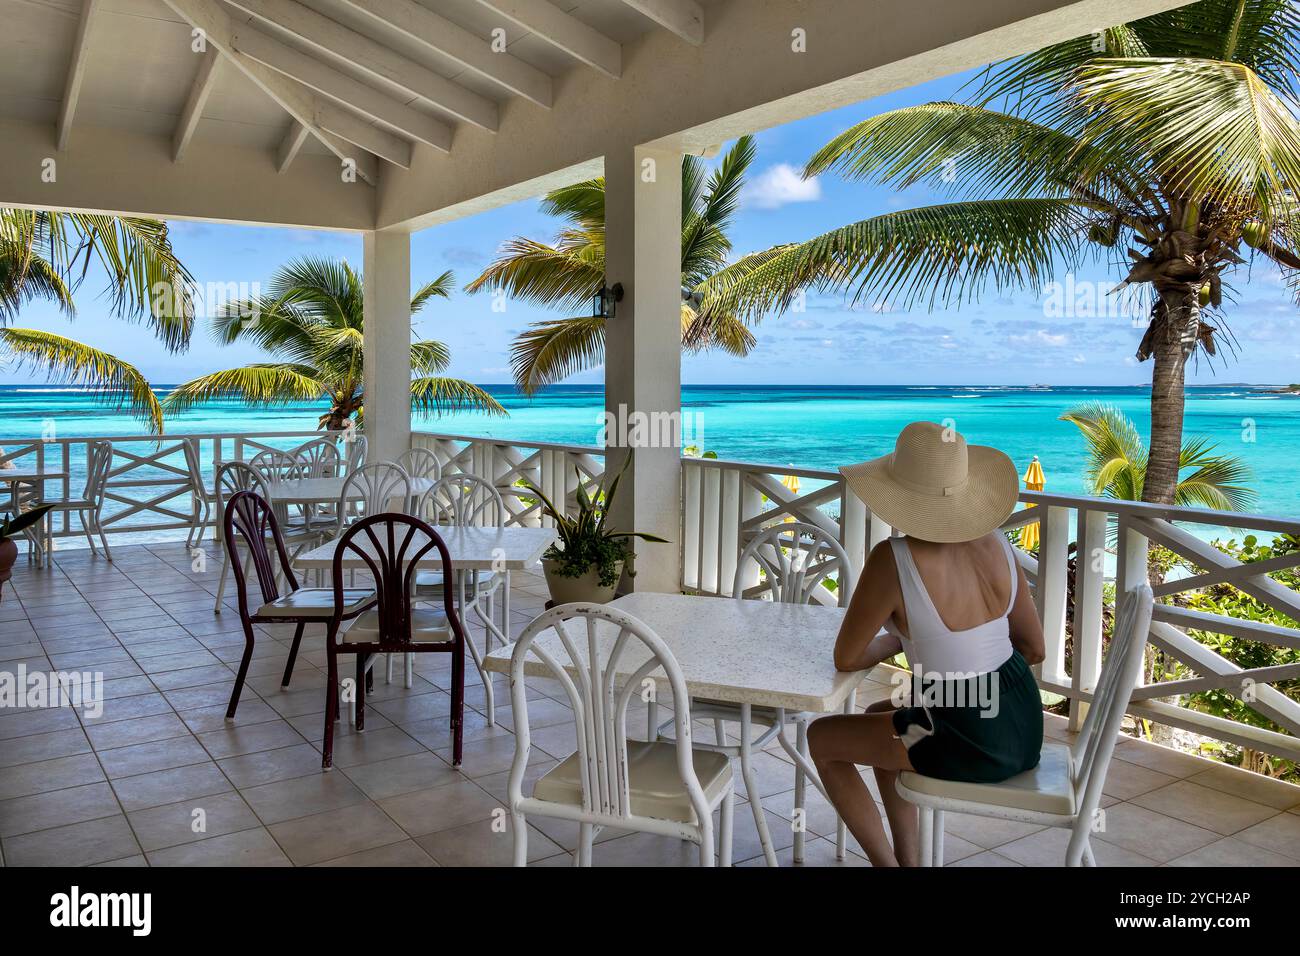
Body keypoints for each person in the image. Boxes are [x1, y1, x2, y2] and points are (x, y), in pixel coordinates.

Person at [808, 421, 1044, 867]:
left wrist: (901, 638)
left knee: (821, 738)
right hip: (1022, 725)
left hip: (964, 736)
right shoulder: (999, 545)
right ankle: (909, 862)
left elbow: (848, 655)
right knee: (883, 718)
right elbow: (1034, 649)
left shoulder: (892, 559)